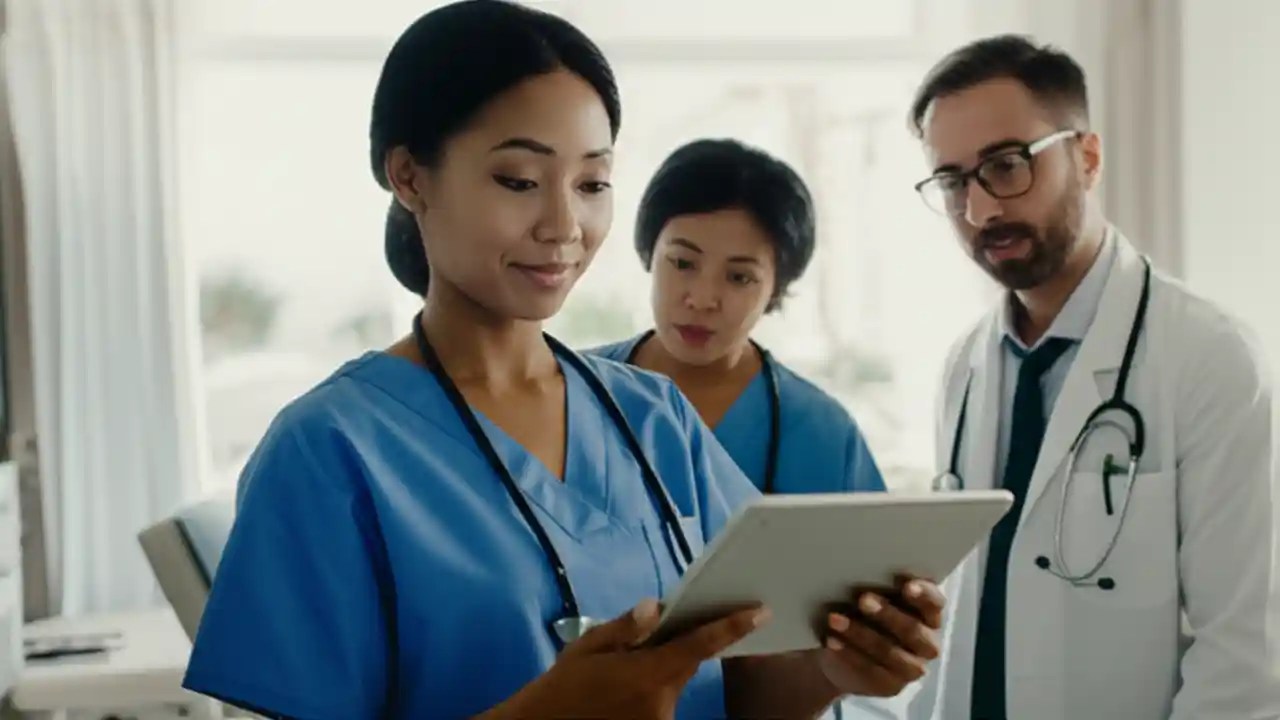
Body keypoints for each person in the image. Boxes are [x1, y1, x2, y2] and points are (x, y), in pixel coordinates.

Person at [181, 2, 946, 718]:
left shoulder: (653, 419)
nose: (564, 225)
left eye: (592, 183)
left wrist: (834, 671)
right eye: (519, 180)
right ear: (410, 176)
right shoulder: (328, 452)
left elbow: (733, 682)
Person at [910, 34, 1280, 719]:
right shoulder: (965, 366)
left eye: (1007, 165)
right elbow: (967, 615)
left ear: (1087, 158)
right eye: (954, 180)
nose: (981, 209)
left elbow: (1242, 654)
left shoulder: (1209, 359)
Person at [588, 139, 886, 498]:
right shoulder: (567, 392)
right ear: (651, 253)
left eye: (739, 277)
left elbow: (878, 555)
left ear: (776, 288)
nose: (701, 299)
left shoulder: (824, 435)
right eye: (683, 263)